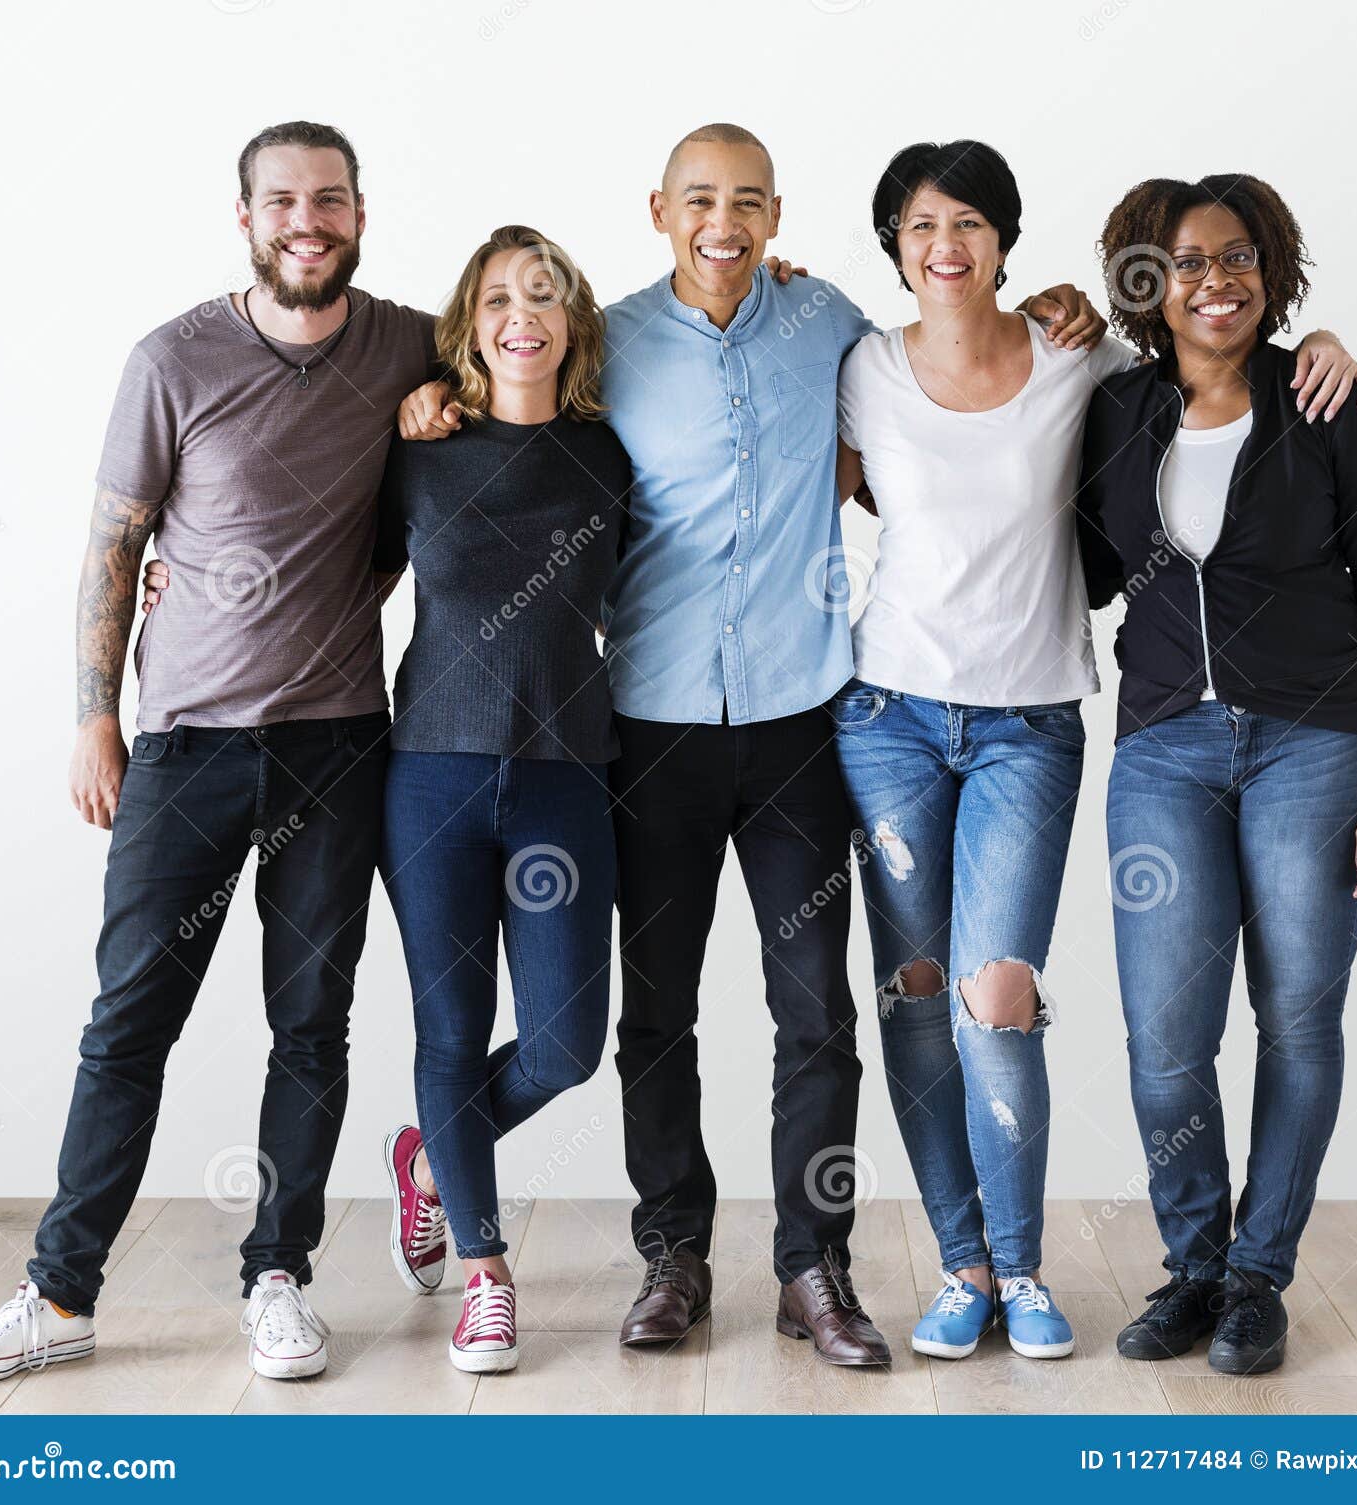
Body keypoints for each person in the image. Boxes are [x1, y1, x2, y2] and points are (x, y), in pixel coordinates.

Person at [394, 122, 1109, 1366]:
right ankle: (673, 1254)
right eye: (698, 201)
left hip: (799, 724)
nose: (722, 224)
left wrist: (1060, 305)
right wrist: (437, 392)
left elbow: (947, 350)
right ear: (660, 209)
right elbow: (513, 407)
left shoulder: (828, 321)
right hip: (647, 732)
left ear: (776, 218)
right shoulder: (602, 342)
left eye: (747, 203)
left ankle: (812, 1265)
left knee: (814, 1010)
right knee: (655, 1016)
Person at [0, 122, 440, 1385]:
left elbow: (558, 347)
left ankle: (280, 1273)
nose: (304, 220)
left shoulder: (412, 343)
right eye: (280, 202)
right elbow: (113, 544)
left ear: (360, 214)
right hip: (186, 746)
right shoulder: (173, 356)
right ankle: (59, 1291)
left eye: (328, 200)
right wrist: (96, 715)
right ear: (247, 221)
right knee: (127, 1024)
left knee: (311, 1024)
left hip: (337, 743)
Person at [830, 141, 1357, 1364]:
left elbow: (1219, 361)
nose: (944, 244)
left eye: (967, 221)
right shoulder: (856, 365)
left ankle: (1022, 1267)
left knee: (995, 996)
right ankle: (962, 1263)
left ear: (1008, 241)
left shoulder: (1085, 361)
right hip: (887, 717)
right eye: (919, 225)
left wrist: (1323, 345)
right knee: (918, 997)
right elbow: (812, 463)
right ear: (895, 246)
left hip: (1032, 718)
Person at [1076, 175, 1357, 1375]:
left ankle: (1257, 1275)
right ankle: (1193, 1265)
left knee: (1296, 1016)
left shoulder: (1326, 396)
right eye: (1184, 260)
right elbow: (1060, 557)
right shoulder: (1115, 413)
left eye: (1237, 258)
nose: (1213, 279)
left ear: (1269, 273)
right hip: (1163, 745)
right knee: (1166, 1032)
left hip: (1316, 746)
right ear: (1145, 280)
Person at [375, 227, 631, 1374]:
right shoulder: (418, 444)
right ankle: (484, 1268)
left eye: (542, 295)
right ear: (468, 325)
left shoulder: (609, 453)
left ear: (571, 319)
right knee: (451, 1029)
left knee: (571, 1041)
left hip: (565, 773)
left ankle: (429, 1163)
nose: (519, 313)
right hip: (429, 769)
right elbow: (334, 564)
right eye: (495, 299)